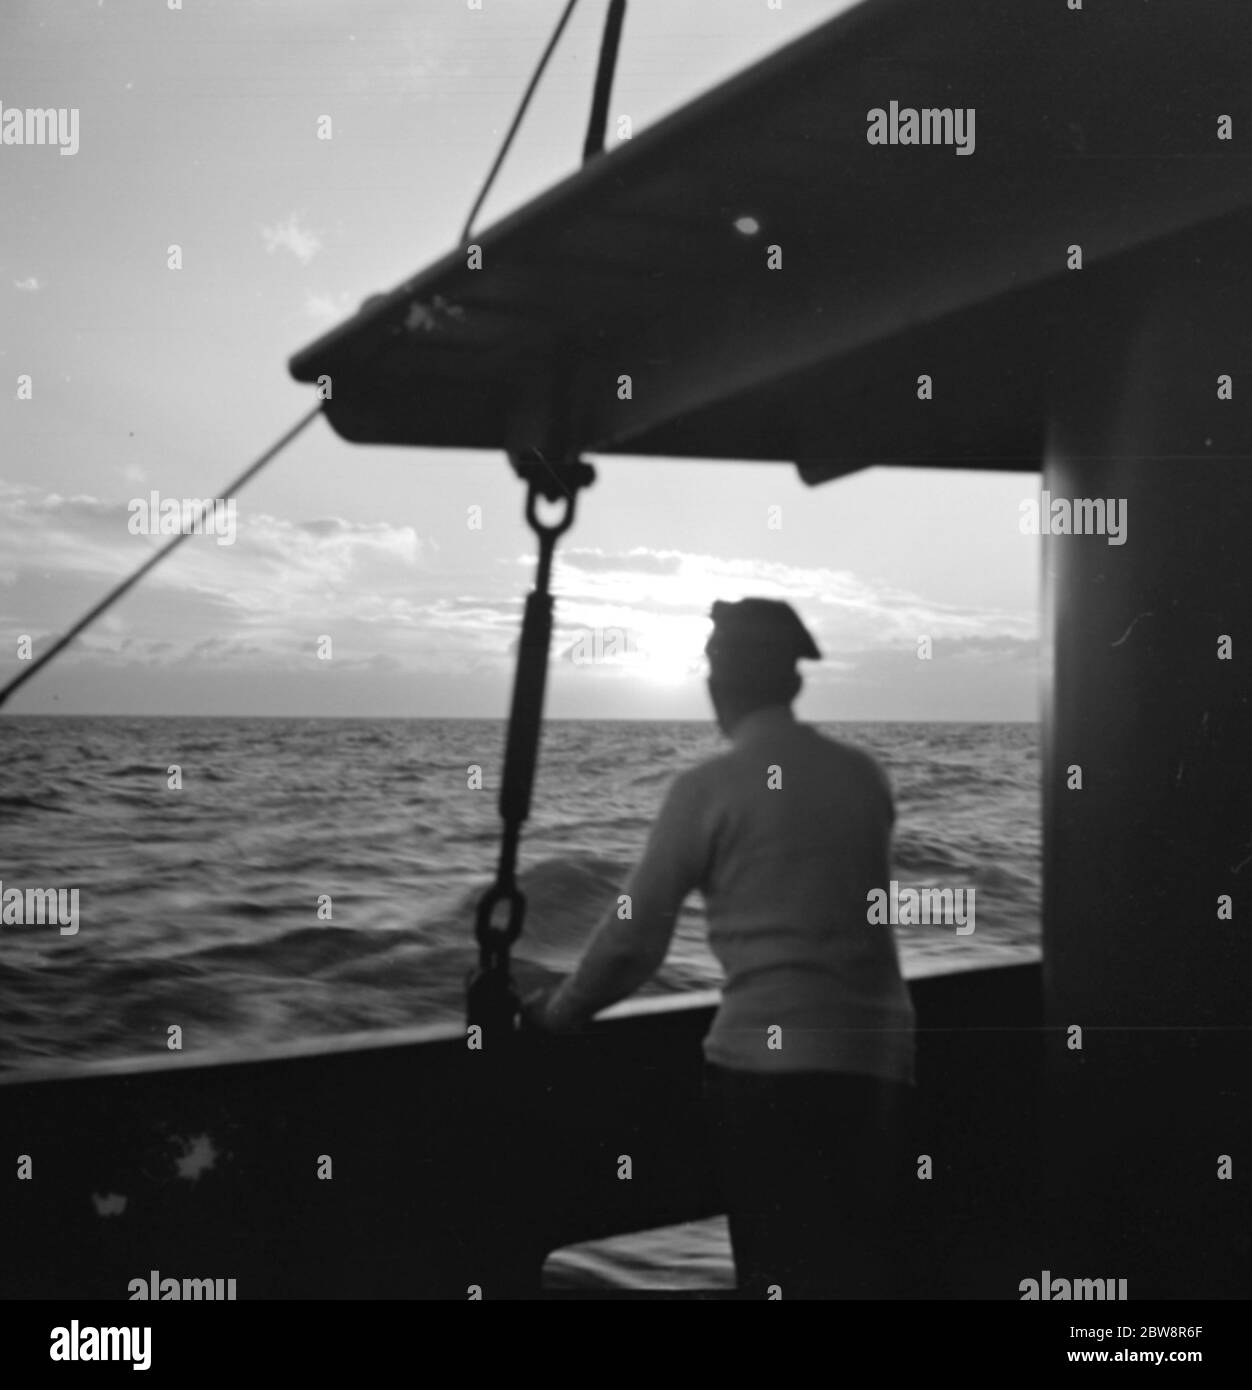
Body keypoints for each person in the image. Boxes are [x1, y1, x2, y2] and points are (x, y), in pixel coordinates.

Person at [523, 598, 916, 1298]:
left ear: (716, 684)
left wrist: (559, 1011)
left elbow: (632, 941)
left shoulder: (705, 788)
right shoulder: (863, 775)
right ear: (794, 684)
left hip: (769, 1078)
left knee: (777, 1273)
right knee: (858, 1269)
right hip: (878, 1064)